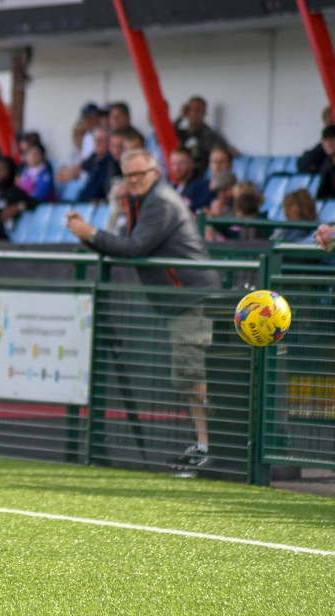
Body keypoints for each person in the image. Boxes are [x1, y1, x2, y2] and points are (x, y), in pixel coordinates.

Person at [66, 148, 221, 466]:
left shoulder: (160, 201)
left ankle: (211, 446)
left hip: (191, 299)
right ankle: (206, 445)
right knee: (189, 377)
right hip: (181, 302)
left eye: (140, 175)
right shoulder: (141, 200)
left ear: (155, 173)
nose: (135, 181)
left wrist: (91, 233)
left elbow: (133, 247)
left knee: (194, 377)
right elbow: (121, 242)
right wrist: (90, 234)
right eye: (129, 176)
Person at [175, 96, 234, 179]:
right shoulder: (181, 133)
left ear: (204, 113)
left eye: (198, 110)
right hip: (179, 175)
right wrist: (180, 117)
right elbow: (162, 135)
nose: (195, 113)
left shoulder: (210, 135)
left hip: (199, 177)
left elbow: (220, 154)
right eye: (191, 109)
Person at [0, 156, 35, 224]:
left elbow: (35, 203)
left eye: (2, 169)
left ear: (10, 171)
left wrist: (18, 207)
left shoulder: (15, 192)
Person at [170, 147, 213, 212]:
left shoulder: (201, 186)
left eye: (181, 164)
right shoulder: (173, 188)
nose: (177, 168)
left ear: (191, 164)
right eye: (174, 164)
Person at [77, 127, 112, 202]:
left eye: (101, 140)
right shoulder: (90, 161)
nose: (97, 143)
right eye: (95, 140)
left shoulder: (111, 163)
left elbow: (101, 188)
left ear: (109, 142)